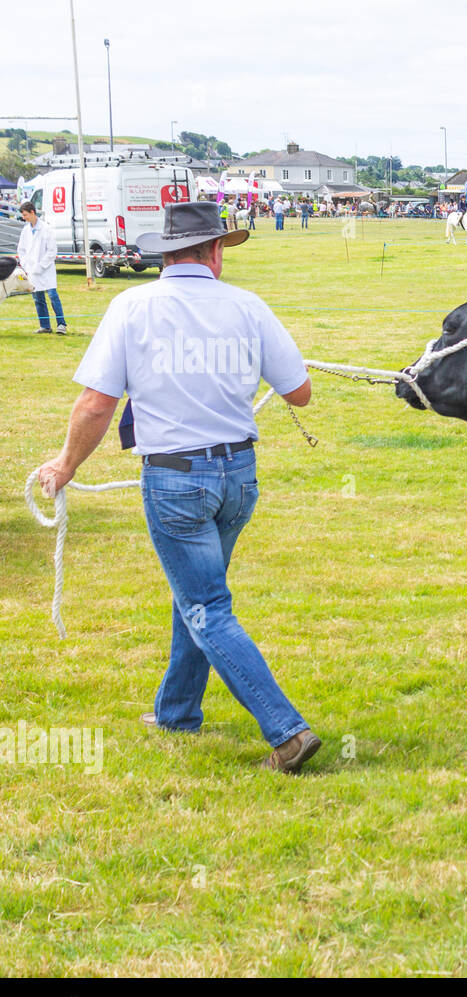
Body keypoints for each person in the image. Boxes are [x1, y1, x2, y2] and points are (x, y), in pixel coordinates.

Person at [33, 201, 320, 772]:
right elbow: (300, 393)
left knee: (205, 603)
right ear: (215, 251)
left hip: (175, 478)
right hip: (238, 477)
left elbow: (96, 403)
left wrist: (65, 465)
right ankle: (177, 711)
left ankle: (287, 732)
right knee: (198, 593)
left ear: (165, 253)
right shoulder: (248, 306)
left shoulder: (132, 306)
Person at [16, 200, 67, 335]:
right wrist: (27, 265)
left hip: (46, 269)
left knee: (53, 296)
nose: (24, 218)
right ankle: (45, 326)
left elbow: (52, 251)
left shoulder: (46, 229)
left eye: (25, 215)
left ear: (32, 212)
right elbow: (21, 250)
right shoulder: (25, 230)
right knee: (38, 298)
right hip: (32, 270)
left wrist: (41, 265)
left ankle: (61, 325)